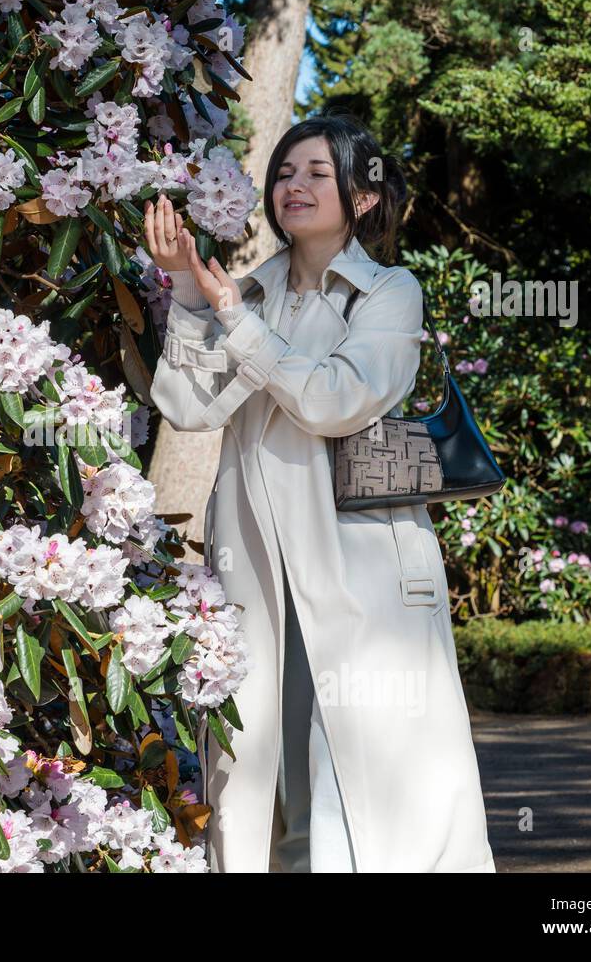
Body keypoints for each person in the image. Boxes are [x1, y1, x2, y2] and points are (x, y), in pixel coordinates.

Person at [145, 113, 496, 873]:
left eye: (315, 172)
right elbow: (185, 405)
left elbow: (337, 398)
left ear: (364, 197)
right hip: (256, 568)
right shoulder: (248, 290)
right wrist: (185, 286)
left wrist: (237, 321)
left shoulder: (389, 293)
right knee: (262, 769)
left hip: (357, 567)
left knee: (357, 777)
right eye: (283, 173)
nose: (293, 186)